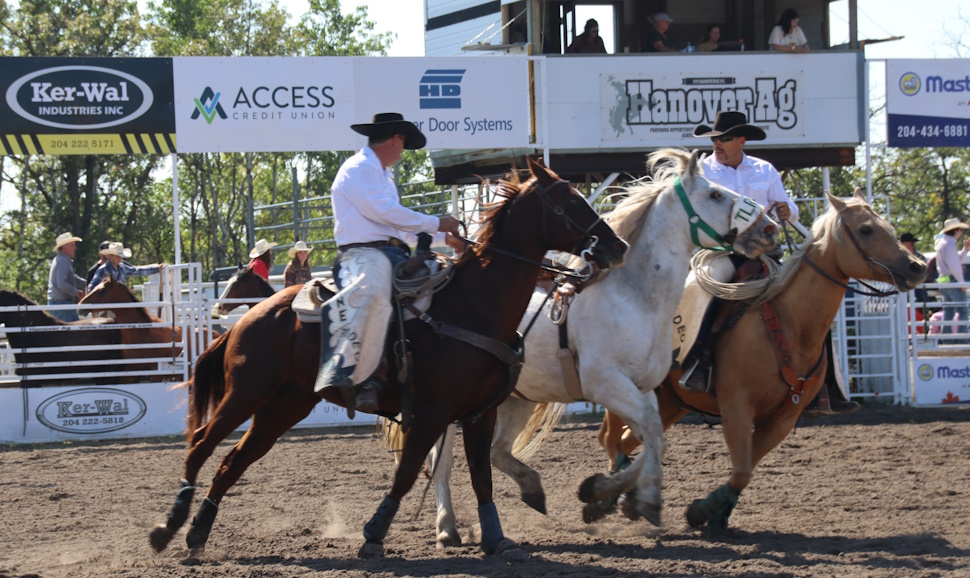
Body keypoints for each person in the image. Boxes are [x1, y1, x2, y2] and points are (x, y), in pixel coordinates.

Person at [688, 111, 857, 413]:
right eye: (714, 138)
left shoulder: (764, 170)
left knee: (810, 302)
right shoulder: (702, 172)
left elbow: (791, 210)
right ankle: (698, 364)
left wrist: (784, 208)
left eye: (723, 138)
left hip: (764, 252)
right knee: (712, 292)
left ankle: (828, 387)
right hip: (720, 251)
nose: (716, 143)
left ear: (741, 140)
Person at [316, 112, 462, 416]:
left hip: (391, 252)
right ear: (395, 138)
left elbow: (398, 225)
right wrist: (437, 221)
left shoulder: (381, 174)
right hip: (361, 254)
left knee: (444, 284)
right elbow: (382, 211)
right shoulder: (358, 168)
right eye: (403, 143)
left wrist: (441, 235)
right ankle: (364, 378)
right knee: (374, 293)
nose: (403, 150)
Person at [933, 218, 970, 340]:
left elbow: (954, 262)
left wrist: (965, 250)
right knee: (963, 310)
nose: (961, 232)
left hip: (944, 281)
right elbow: (955, 266)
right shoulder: (949, 244)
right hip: (952, 280)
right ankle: (962, 340)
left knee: (948, 311)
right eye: (960, 230)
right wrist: (961, 283)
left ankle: (946, 339)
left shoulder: (943, 243)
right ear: (956, 230)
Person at [87, 242, 166, 292]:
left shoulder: (122, 267)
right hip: (108, 305)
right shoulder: (103, 270)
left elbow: (137, 271)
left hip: (120, 303)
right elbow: (92, 288)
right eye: (118, 256)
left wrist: (157, 268)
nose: (121, 259)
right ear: (110, 256)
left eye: (121, 256)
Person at [47, 232, 87, 322]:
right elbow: (61, 284)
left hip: (58, 303)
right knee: (73, 332)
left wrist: (87, 283)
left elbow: (73, 279)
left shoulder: (61, 260)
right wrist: (76, 292)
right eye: (72, 245)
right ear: (65, 247)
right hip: (61, 303)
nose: (75, 248)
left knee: (70, 331)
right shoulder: (63, 261)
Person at [899, 232, 929, 306]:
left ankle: (925, 312)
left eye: (904, 242)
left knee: (921, 293)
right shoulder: (899, 258)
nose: (901, 244)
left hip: (917, 284)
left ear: (910, 243)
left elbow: (923, 272)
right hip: (904, 284)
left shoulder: (920, 257)